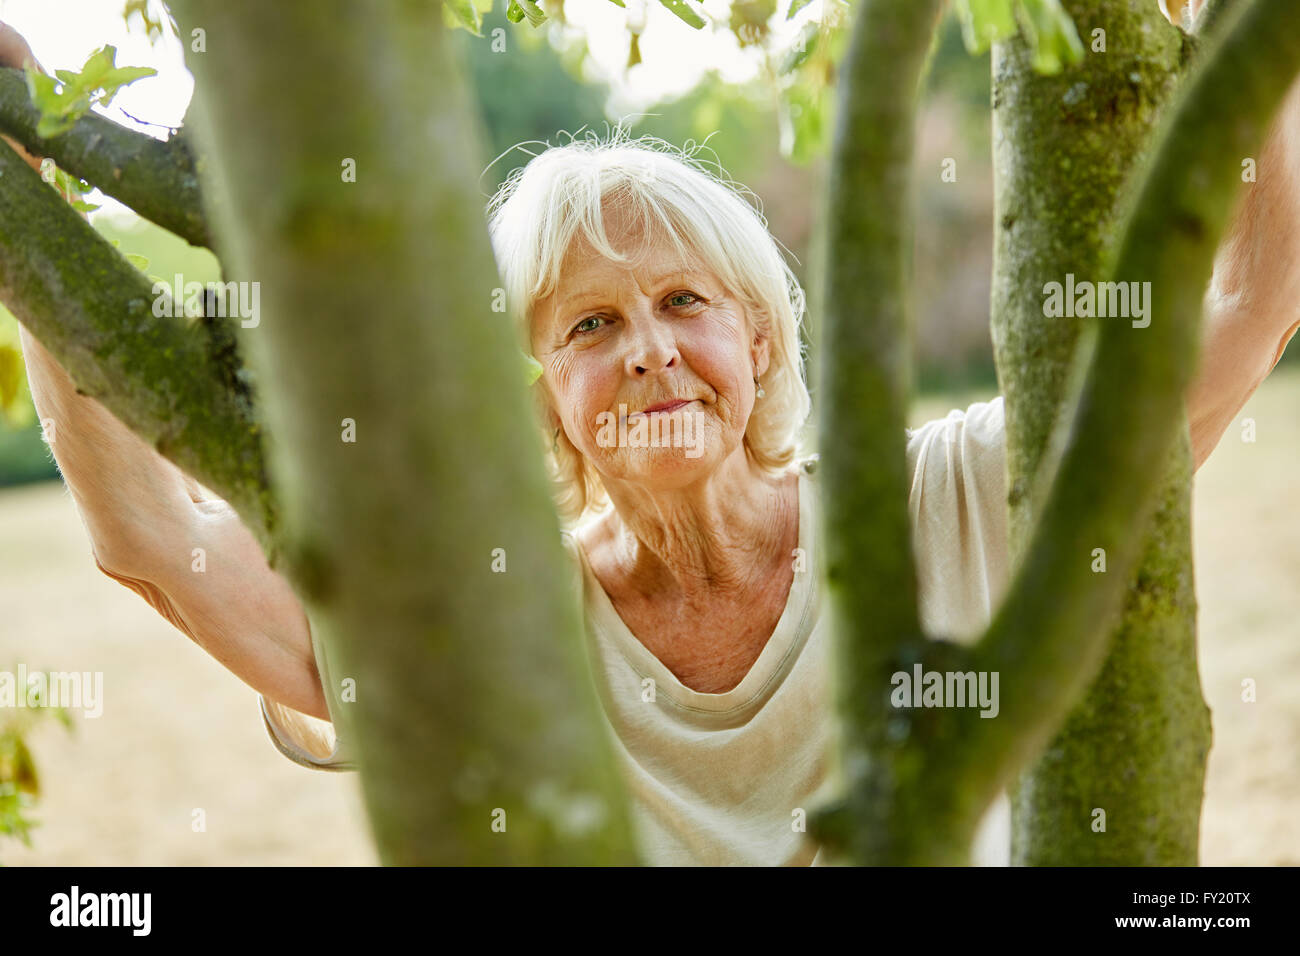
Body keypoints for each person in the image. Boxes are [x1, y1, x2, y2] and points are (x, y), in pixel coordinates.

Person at [5, 3, 1299, 864]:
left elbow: (1249, 299)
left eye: (686, 302)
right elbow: (157, 543)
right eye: (587, 327)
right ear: (541, 397)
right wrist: (35, 204)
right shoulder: (497, 623)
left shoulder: (949, 500)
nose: (649, 351)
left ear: (764, 343)